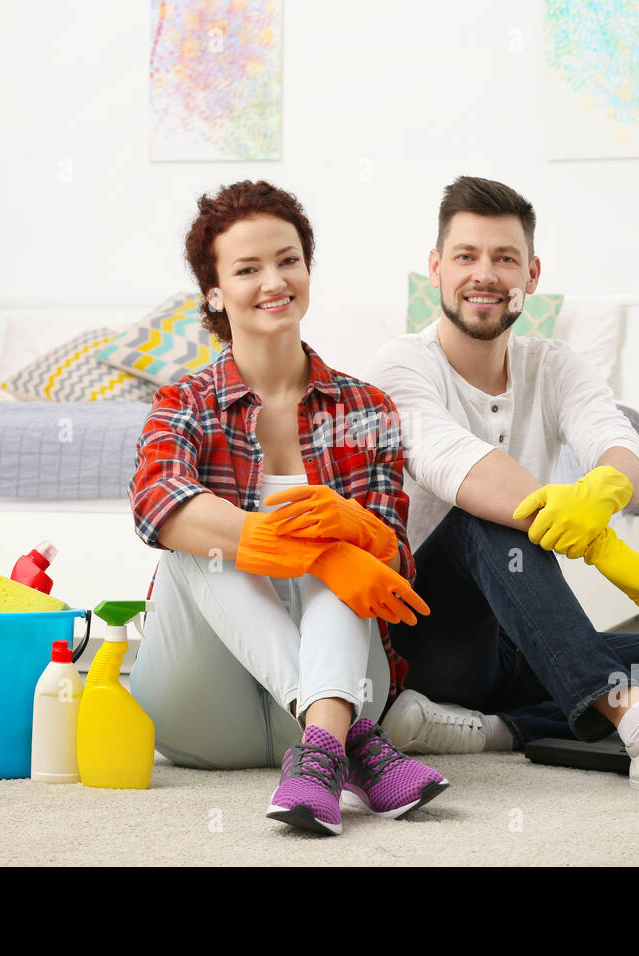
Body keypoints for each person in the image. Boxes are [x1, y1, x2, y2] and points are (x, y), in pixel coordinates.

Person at [365, 175, 639, 805]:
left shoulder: (554, 365)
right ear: (435, 269)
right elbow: (458, 466)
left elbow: (623, 445)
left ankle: (496, 732)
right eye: (466, 256)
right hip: (433, 638)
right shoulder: (400, 364)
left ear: (531, 274)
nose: (486, 274)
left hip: (530, 650)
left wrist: (605, 491)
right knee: (487, 517)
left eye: (505, 258)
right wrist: (603, 548)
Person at [127, 180, 444, 835]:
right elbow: (155, 504)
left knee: (350, 549)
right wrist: (322, 548)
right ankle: (353, 747)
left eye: (288, 260)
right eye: (247, 269)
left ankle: (324, 748)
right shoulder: (183, 401)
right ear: (214, 292)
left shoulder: (366, 408)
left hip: (345, 684)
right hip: (201, 707)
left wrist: (362, 536)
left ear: (307, 269)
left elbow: (398, 567)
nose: (273, 280)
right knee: (196, 546)